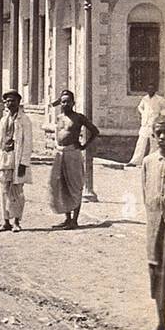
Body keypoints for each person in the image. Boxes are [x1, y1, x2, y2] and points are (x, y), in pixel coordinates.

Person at [139, 115, 165, 330]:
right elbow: (146, 195)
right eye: (158, 133)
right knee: (157, 277)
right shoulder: (148, 162)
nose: (162, 137)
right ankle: (160, 324)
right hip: (155, 228)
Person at [49, 88, 99, 229]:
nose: (65, 104)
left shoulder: (79, 117)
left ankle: (75, 221)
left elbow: (95, 131)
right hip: (60, 153)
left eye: (68, 102)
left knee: (75, 186)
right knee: (61, 186)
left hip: (73, 153)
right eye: (63, 102)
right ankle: (67, 218)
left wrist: (84, 146)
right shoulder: (59, 117)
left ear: (73, 103)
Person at [0, 88, 32, 233]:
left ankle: (16, 221)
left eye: (13, 101)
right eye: (7, 101)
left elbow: (28, 143)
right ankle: (5, 221)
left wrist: (24, 163)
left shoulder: (25, 120)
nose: (10, 103)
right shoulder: (3, 120)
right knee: (4, 190)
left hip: (17, 157)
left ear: (18, 102)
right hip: (4, 157)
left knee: (17, 191)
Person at [129, 80, 165, 168]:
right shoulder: (145, 99)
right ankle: (135, 161)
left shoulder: (159, 99)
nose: (150, 90)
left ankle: (153, 162)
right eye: (149, 89)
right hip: (145, 124)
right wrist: (143, 113)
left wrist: (159, 116)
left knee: (154, 143)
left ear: (155, 90)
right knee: (141, 142)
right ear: (147, 90)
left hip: (154, 124)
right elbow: (140, 107)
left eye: (152, 89)